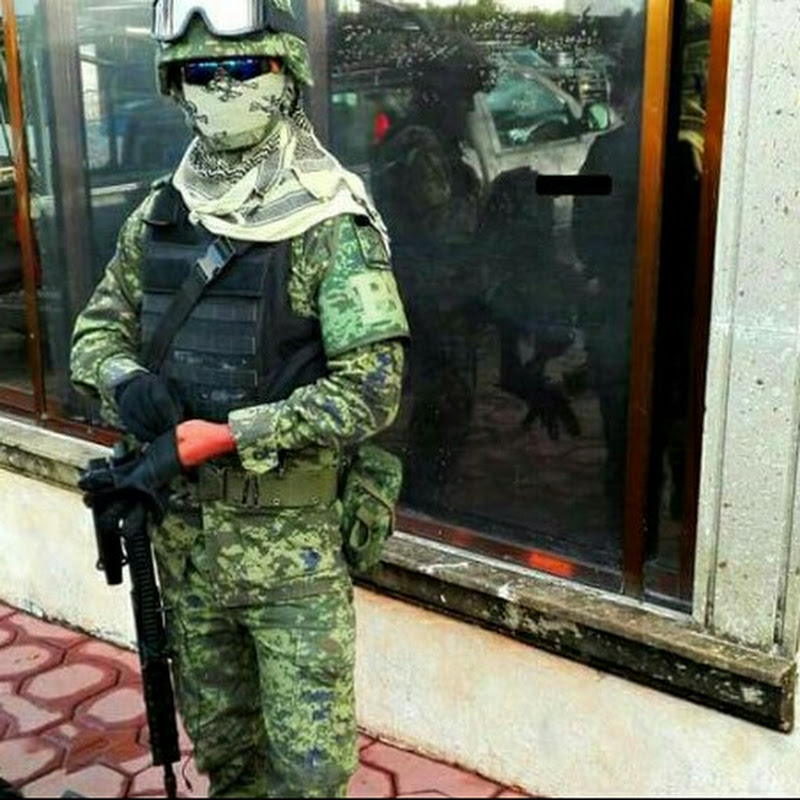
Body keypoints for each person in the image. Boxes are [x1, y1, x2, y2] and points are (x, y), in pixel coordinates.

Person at [69, 1, 409, 797]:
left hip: (291, 555)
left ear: (286, 77)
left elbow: (371, 390)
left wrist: (226, 434)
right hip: (186, 549)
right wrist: (127, 382)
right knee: (226, 758)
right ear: (174, 86)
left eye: (242, 67)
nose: (220, 87)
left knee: (311, 775)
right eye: (199, 72)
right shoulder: (162, 214)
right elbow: (93, 335)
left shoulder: (329, 221)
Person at [370, 34, 493, 507]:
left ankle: (427, 495)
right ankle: (422, 502)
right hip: (433, 301)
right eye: (464, 97)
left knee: (447, 409)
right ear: (441, 95)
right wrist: (493, 210)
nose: (469, 109)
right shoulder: (418, 146)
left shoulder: (429, 143)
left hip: (442, 297)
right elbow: (442, 231)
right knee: (443, 410)